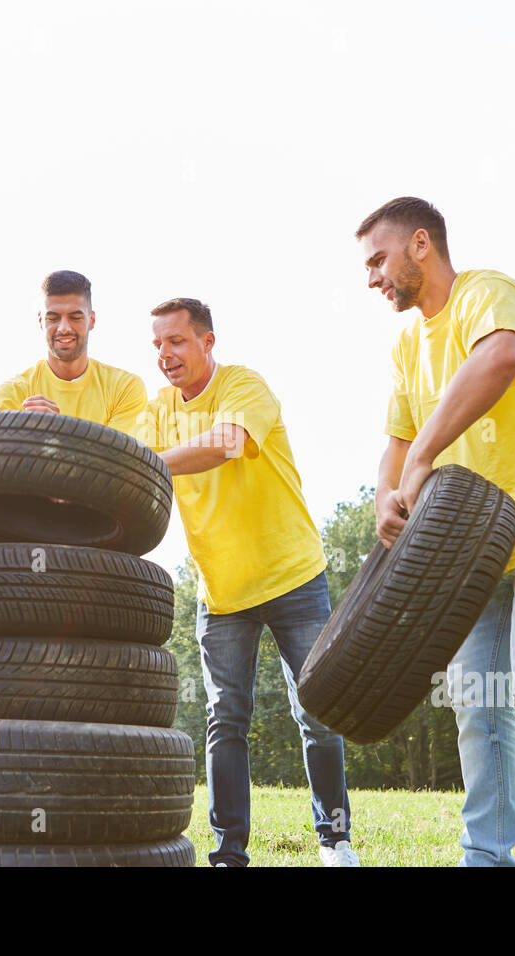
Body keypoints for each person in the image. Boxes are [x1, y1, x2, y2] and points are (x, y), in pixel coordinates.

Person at [357, 196, 515, 867]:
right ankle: (487, 857)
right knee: (477, 701)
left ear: (420, 244)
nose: (371, 278)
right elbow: (399, 440)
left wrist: (420, 459)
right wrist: (388, 495)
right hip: (472, 550)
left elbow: (500, 357)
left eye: (378, 260)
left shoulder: (486, 295)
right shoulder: (406, 347)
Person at [135, 298, 357, 867]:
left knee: (315, 710)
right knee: (225, 719)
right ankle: (229, 851)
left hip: (292, 578)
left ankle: (334, 840)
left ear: (207, 342)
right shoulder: (156, 410)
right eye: (157, 343)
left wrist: (152, 463)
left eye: (177, 341)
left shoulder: (245, 386)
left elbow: (227, 442)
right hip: (222, 592)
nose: (165, 354)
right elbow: (118, 456)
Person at [0, 270, 146, 433]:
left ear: (91, 321)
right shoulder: (13, 393)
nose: (64, 328)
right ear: (41, 322)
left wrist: (57, 430)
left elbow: (116, 457)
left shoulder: (124, 388)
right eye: (53, 318)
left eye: (75, 317)